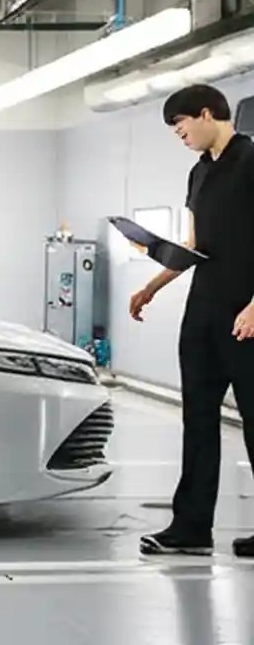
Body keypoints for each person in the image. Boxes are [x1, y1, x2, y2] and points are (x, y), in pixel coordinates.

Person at [132, 84, 254, 557]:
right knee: (197, 421)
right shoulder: (198, 174)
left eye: (180, 125)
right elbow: (195, 246)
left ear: (206, 114)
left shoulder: (251, 162)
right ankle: (191, 528)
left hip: (245, 317)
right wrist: (152, 286)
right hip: (202, 313)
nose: (178, 135)